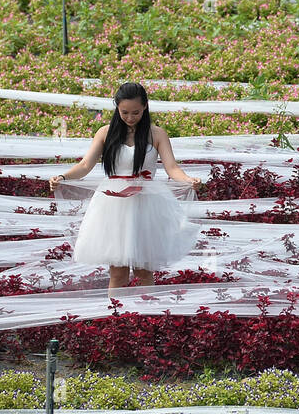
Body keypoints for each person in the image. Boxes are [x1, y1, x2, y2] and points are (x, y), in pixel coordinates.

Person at [49, 82, 201, 291]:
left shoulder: (156, 134)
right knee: (117, 270)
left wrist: (187, 180)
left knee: (143, 270)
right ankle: (117, 315)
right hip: (113, 204)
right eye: (125, 112)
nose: (130, 117)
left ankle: (148, 315)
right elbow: (85, 165)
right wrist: (62, 177)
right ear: (117, 108)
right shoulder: (105, 133)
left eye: (136, 112)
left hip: (146, 203)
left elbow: (172, 167)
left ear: (146, 107)